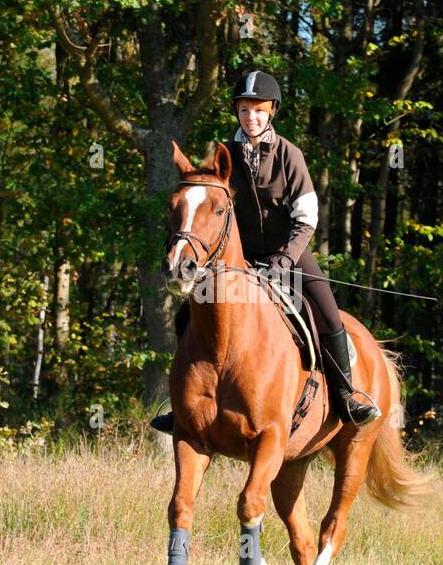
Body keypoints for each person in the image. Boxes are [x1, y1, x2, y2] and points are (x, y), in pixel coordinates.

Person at [151, 67, 381, 432]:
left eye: (258, 109)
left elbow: (307, 218)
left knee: (327, 311)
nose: (251, 116)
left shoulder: (290, 155)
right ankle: (179, 404)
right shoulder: (226, 157)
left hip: (287, 253)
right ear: (237, 113)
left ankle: (347, 394)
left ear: (271, 110)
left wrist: (285, 260)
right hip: (235, 260)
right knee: (187, 315)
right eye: (244, 109)